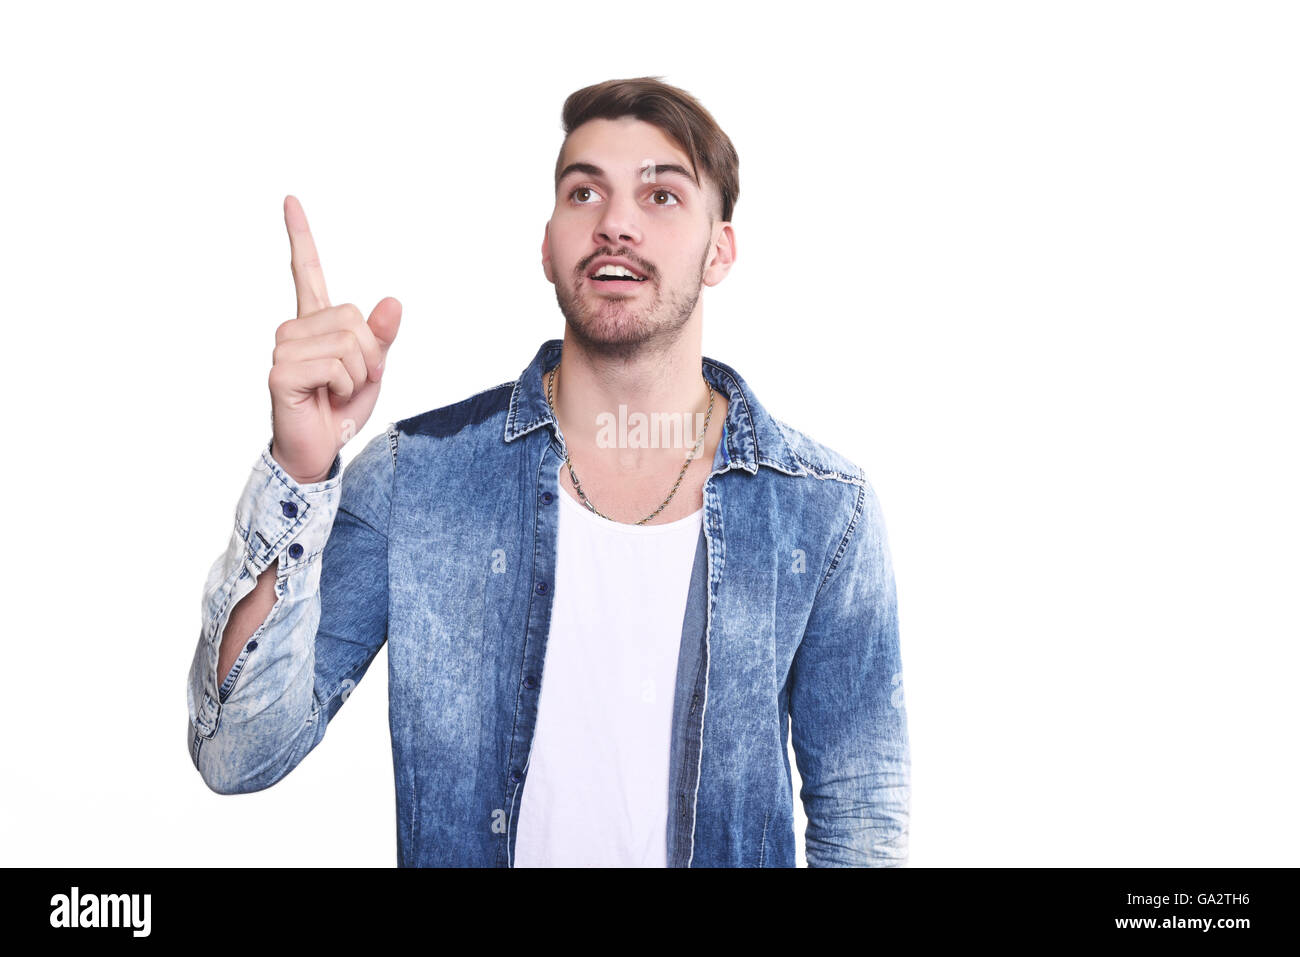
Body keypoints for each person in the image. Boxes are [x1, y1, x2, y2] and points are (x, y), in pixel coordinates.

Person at [186, 75, 910, 867]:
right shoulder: (414, 478)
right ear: (547, 245)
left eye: (661, 196)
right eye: (584, 192)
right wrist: (299, 469)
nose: (616, 223)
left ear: (720, 250)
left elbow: (862, 821)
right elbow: (237, 753)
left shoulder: (823, 513)